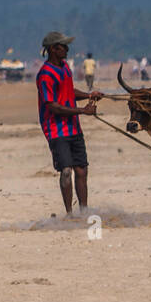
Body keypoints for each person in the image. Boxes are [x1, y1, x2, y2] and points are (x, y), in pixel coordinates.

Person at [36, 31, 103, 215]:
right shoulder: (45, 75)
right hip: (56, 130)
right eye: (63, 46)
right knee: (66, 171)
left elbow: (69, 92)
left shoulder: (65, 67)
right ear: (52, 49)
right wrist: (83, 111)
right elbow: (53, 106)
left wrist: (90, 95)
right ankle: (69, 213)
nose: (67, 49)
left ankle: (83, 211)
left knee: (81, 171)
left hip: (74, 127)